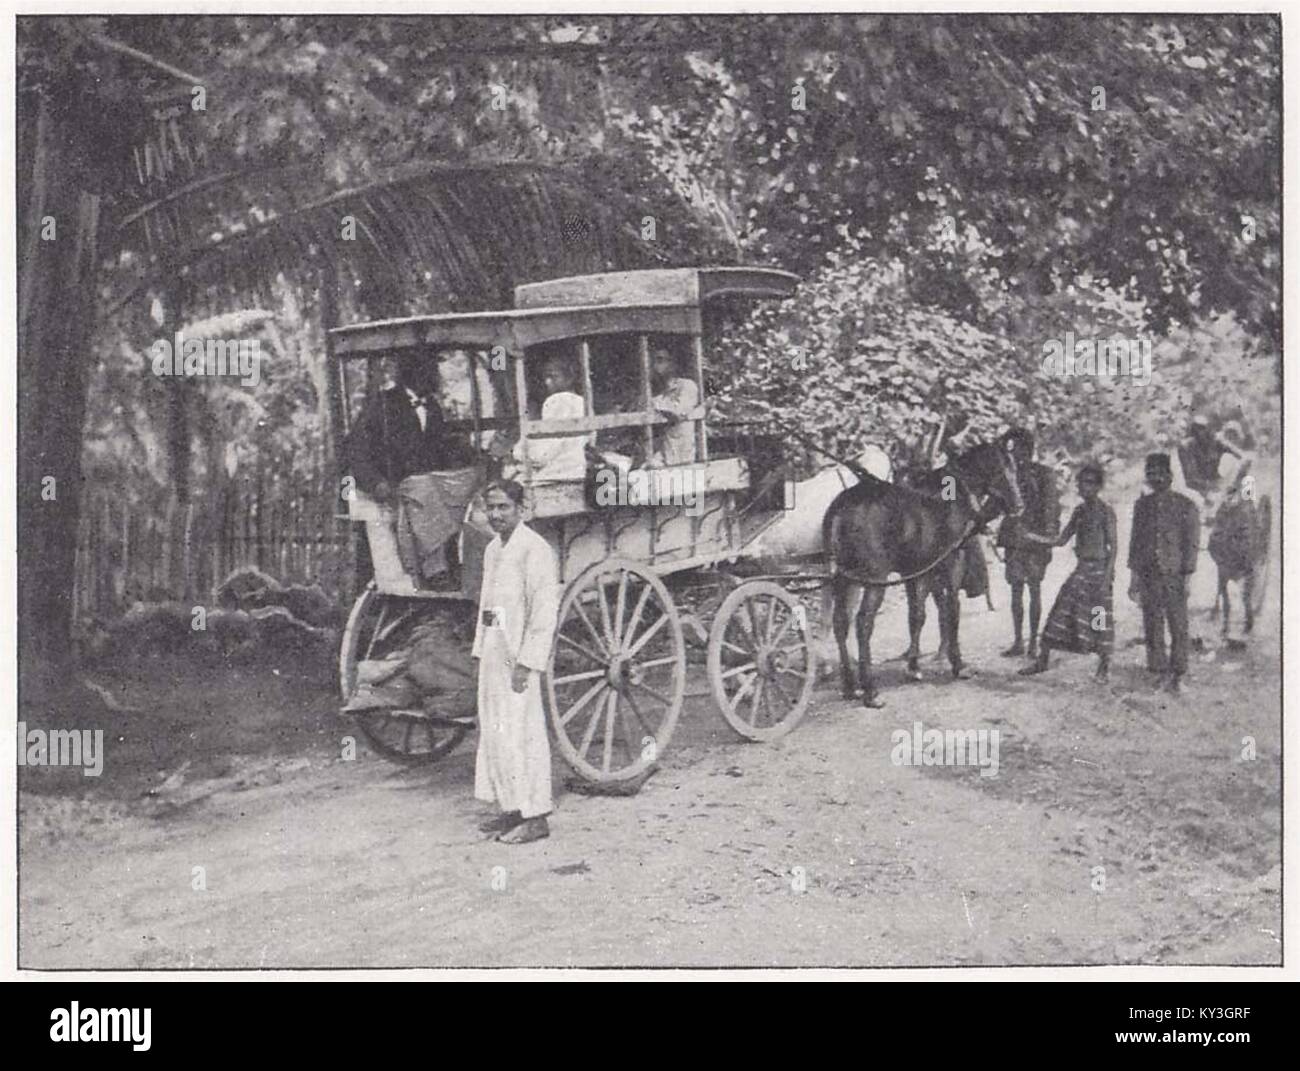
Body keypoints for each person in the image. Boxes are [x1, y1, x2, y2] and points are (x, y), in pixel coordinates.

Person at [472, 479, 560, 844]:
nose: (495, 515)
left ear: (521, 509)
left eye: (504, 507)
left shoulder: (535, 550)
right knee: (496, 730)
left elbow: (544, 612)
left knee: (524, 731)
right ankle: (511, 808)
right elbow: (489, 606)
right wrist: (482, 648)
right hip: (496, 651)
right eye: (490, 508)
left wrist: (528, 662)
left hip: (521, 658)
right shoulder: (494, 550)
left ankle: (536, 815)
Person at [346, 353, 479, 587]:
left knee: (468, 482)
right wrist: (377, 483)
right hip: (390, 487)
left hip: (421, 484)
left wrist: (465, 453)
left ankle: (458, 559)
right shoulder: (383, 404)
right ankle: (434, 567)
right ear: (416, 372)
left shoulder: (432, 406)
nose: (437, 376)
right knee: (422, 487)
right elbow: (356, 450)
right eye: (432, 369)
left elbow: (437, 450)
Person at [1019, 462, 1117, 682]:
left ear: (1098, 486)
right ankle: (1042, 661)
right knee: (1060, 612)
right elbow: (1062, 540)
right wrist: (1034, 538)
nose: (1083, 487)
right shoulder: (1080, 511)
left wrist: (1108, 576)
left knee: (1099, 619)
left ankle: (1103, 669)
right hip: (1081, 569)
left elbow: (1114, 547)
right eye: (1081, 483)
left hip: (1099, 571)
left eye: (1089, 483)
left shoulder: (1105, 511)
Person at [1128, 452, 1200, 694]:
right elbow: (1135, 544)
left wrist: (1188, 578)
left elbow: (1191, 545)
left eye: (1161, 473)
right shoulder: (1141, 506)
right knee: (1152, 622)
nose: (1156, 478)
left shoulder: (1185, 505)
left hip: (1174, 575)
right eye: (1151, 474)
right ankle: (1158, 671)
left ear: (1170, 476)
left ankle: (1178, 673)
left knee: (1178, 624)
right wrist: (1134, 579)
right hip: (1149, 574)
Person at [996, 428, 1061, 659]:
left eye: (1021, 449)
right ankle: (1018, 641)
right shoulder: (1008, 475)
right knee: (1015, 591)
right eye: (1014, 450)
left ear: (1029, 450)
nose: (1017, 455)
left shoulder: (1044, 474)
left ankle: (1033, 640)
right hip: (1014, 540)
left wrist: (1044, 539)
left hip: (1035, 543)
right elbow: (997, 504)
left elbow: (1051, 509)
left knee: (1034, 590)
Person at [512, 357, 592, 482]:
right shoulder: (582, 401)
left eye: (553, 376)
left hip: (559, 471)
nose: (547, 382)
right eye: (545, 377)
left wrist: (518, 452)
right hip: (579, 466)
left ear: (569, 378)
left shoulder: (557, 401)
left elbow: (546, 451)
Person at [649, 344, 699, 466]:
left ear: (673, 364)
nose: (655, 366)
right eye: (654, 361)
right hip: (666, 450)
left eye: (661, 360)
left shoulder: (687, 386)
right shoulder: (662, 391)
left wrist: (654, 403)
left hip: (682, 453)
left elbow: (678, 411)